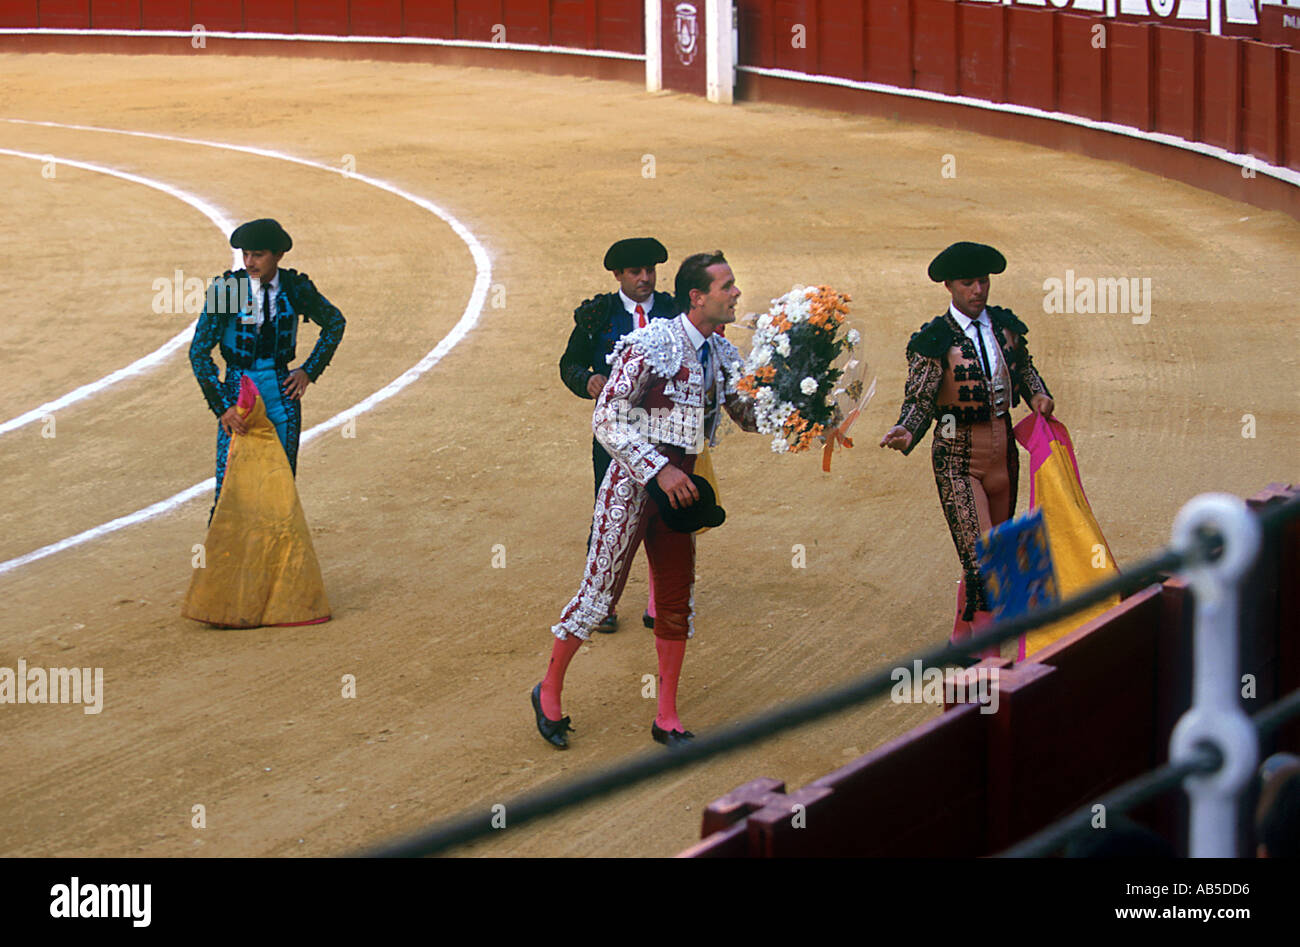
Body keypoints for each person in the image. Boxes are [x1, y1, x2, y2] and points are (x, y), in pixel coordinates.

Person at [533, 250, 758, 749]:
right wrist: (660, 468)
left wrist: (801, 411)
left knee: (676, 602)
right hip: (632, 485)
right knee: (598, 598)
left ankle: (667, 716)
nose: (737, 293)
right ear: (698, 297)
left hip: (682, 492)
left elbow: (746, 415)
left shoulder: (721, 354)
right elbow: (608, 417)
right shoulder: (654, 343)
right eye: (728, 286)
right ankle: (548, 689)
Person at [879, 242, 1053, 656]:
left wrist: (1039, 398)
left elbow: (1025, 370)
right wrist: (907, 430)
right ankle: (988, 653)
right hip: (958, 457)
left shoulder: (1006, 326)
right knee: (984, 554)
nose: (978, 289)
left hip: (1003, 451)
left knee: (991, 546)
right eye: (967, 282)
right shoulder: (934, 340)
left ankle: (962, 639)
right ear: (948, 286)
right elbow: (920, 399)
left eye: (983, 281)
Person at [189, 219, 346, 519]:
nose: (249, 262)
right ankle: (225, 565)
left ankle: (276, 565)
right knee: (229, 494)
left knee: (280, 489)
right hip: (238, 394)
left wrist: (308, 371)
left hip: (281, 394)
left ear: (278, 255)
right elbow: (198, 352)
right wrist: (223, 407)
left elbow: (335, 322)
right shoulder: (228, 290)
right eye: (245, 254)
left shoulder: (296, 287)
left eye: (258, 255)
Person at [559, 237, 677, 634]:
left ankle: (659, 598)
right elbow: (570, 364)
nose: (645, 279)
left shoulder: (673, 311)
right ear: (617, 276)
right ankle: (601, 602)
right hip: (614, 433)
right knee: (609, 512)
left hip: (665, 428)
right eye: (635, 272)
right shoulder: (598, 316)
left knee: (664, 514)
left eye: (650, 271)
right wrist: (587, 379)